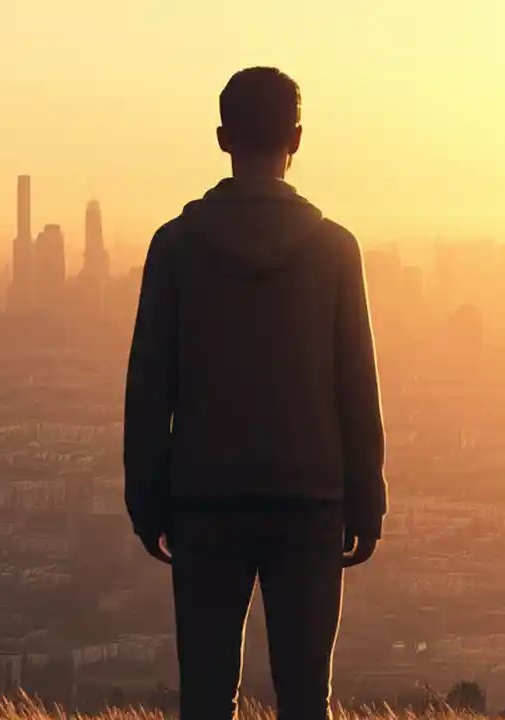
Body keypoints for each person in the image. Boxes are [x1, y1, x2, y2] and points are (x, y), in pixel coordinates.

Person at [124, 67, 387, 720]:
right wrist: (367, 498)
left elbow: (150, 387)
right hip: (311, 502)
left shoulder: (176, 246)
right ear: (296, 138)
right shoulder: (334, 250)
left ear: (223, 137)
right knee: (305, 699)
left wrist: (147, 498)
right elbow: (357, 383)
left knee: (207, 698)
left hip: (204, 501)